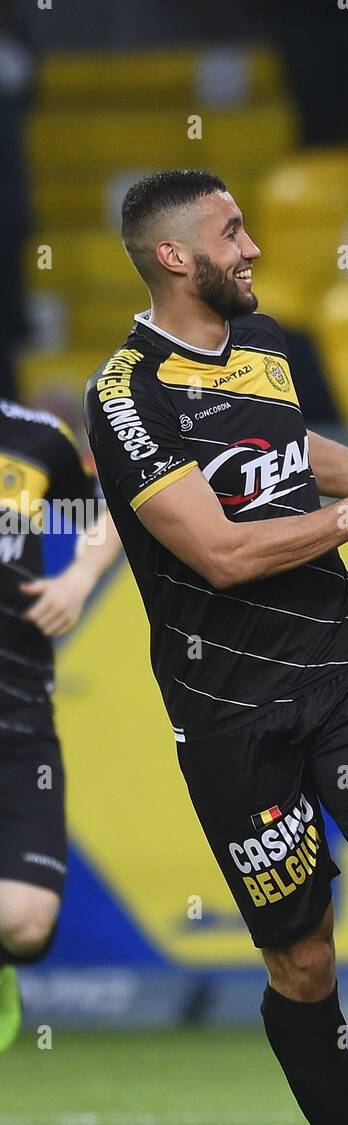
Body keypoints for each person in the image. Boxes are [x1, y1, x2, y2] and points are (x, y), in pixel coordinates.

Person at [83, 169, 348, 1125]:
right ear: (174, 257)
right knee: (302, 960)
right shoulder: (124, 392)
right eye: (232, 231)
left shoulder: (265, 351)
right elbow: (218, 553)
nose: (253, 246)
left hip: (343, 668)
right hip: (229, 707)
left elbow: (297, 451)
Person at [0, 399, 119, 1051]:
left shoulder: (35, 440)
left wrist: (78, 575)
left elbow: (128, 501)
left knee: (25, 923)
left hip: (18, 719)